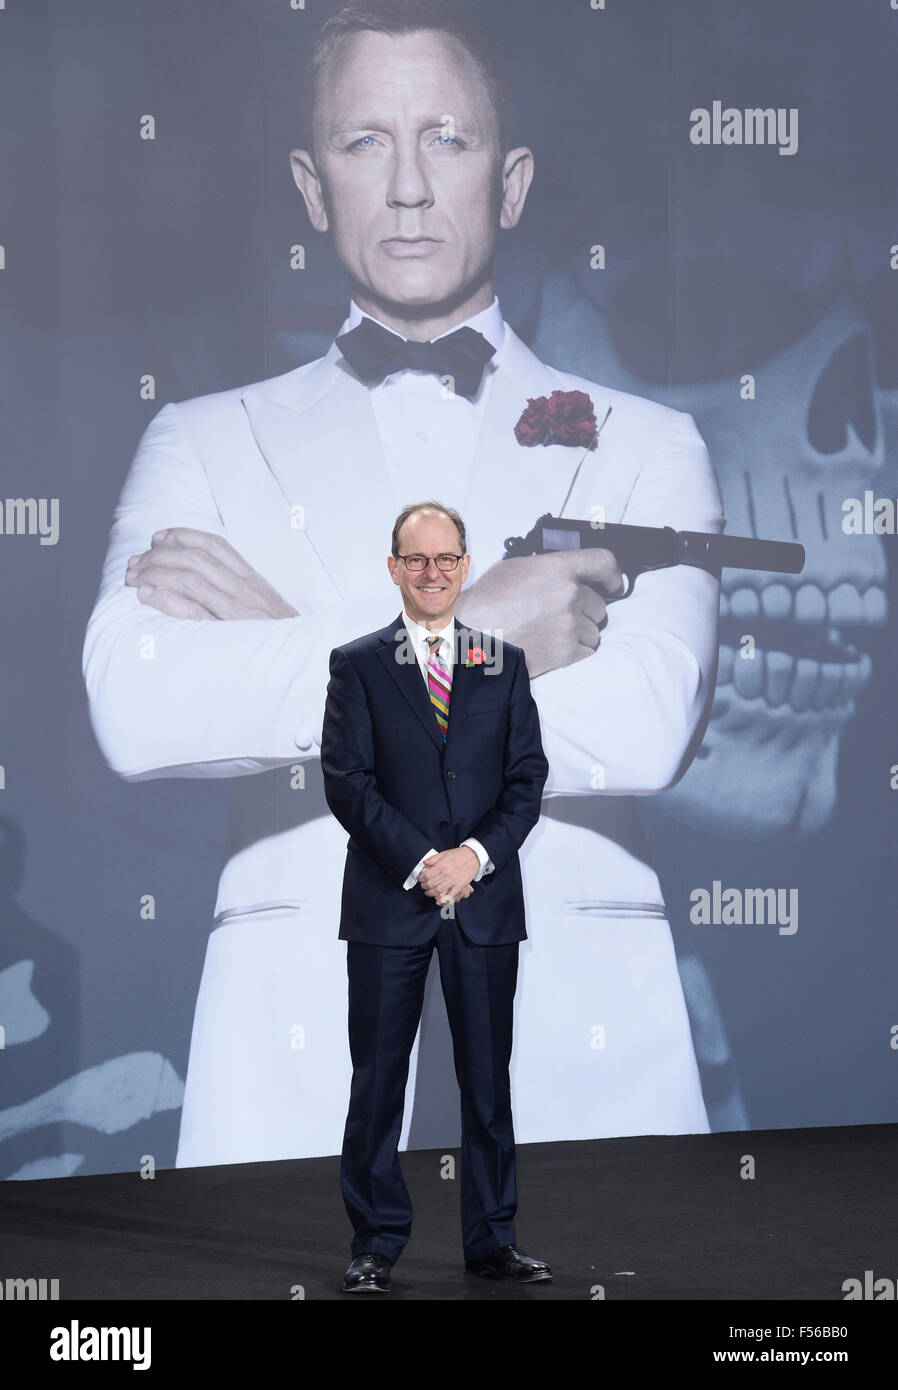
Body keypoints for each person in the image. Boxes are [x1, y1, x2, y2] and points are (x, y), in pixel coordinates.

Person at [82, 0, 723, 1167]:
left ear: (512, 181)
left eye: (451, 139)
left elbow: (639, 726)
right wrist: (472, 628)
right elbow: (138, 702)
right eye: (364, 141)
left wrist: (296, 648)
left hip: (579, 1058)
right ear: (311, 185)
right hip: (293, 1056)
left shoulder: (646, 442)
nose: (411, 185)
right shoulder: (199, 439)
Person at [321, 499, 550, 1291]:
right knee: (379, 1081)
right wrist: (425, 861)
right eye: (416, 560)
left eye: (446, 559)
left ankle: (492, 1239)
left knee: (487, 1084)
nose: (432, 573)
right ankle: (375, 1244)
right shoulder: (355, 664)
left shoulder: (505, 661)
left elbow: (527, 782)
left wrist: (475, 857)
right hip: (392, 901)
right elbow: (347, 785)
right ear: (393, 568)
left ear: (464, 566)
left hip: (483, 905)